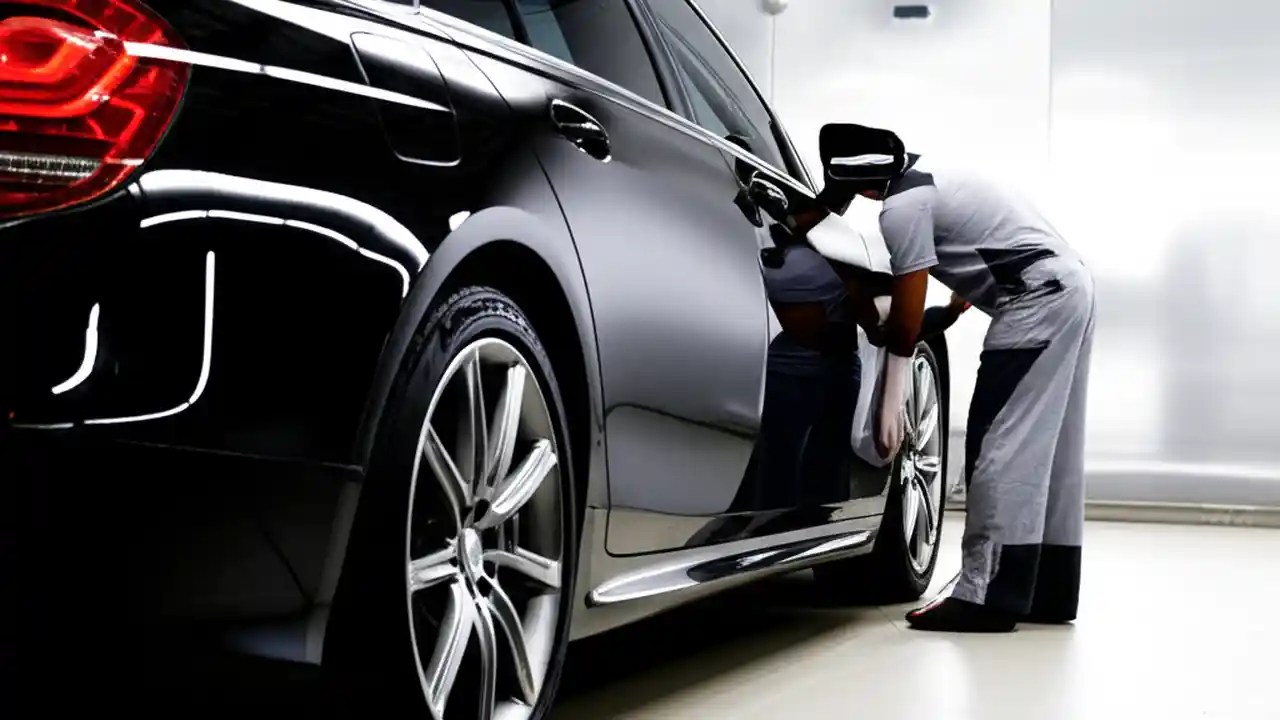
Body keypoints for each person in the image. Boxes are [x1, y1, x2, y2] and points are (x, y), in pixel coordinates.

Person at [796, 124, 1096, 633]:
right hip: (1069, 285)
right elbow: (985, 244)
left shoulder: (901, 208)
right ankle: (1045, 588)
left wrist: (890, 405)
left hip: (1034, 301)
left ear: (861, 187)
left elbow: (905, 325)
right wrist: (956, 309)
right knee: (1051, 448)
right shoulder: (931, 177)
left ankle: (985, 597)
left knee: (999, 441)